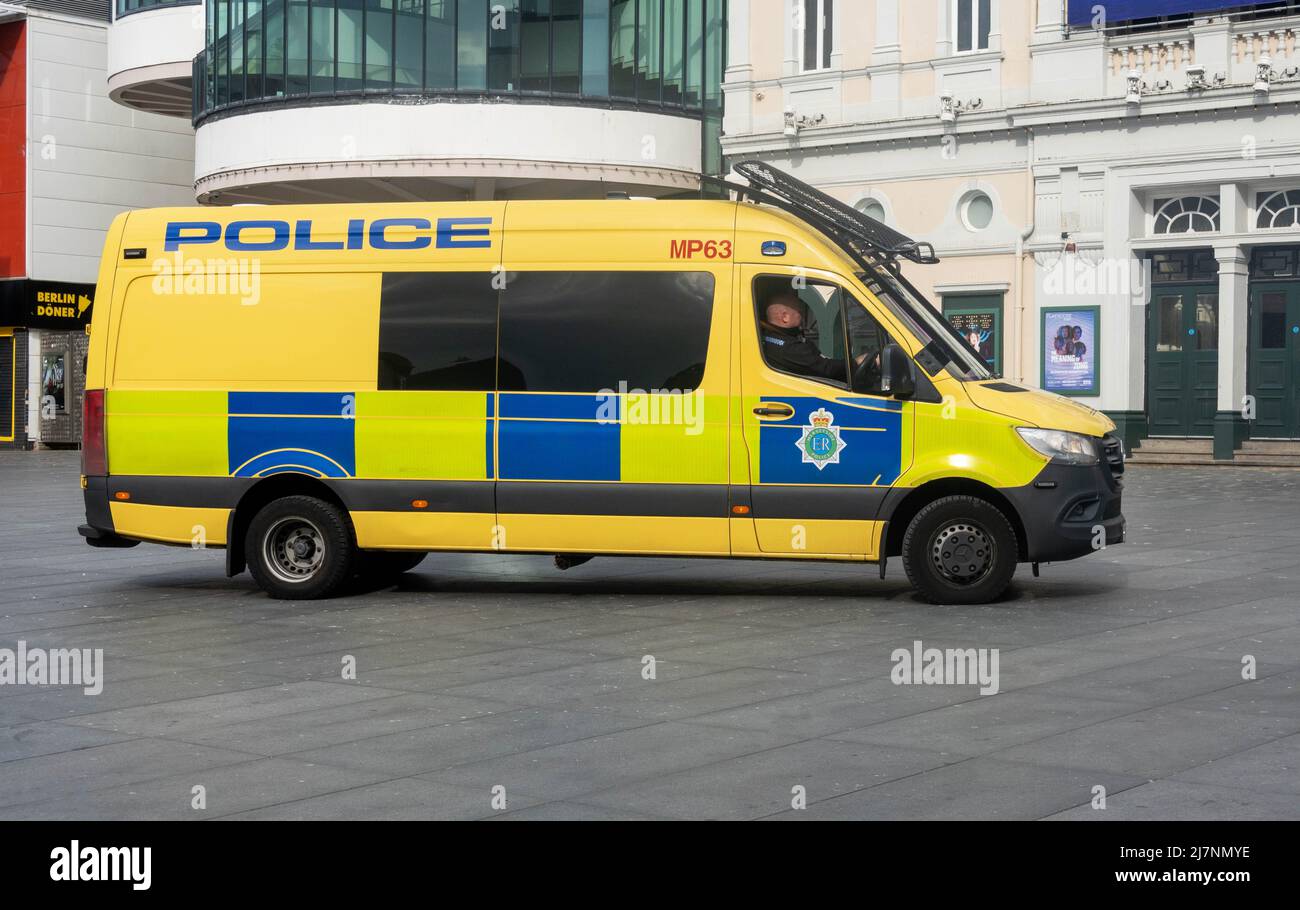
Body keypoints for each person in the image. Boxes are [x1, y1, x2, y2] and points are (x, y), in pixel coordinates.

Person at [760, 288, 874, 385]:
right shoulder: (789, 348)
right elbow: (826, 369)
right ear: (785, 317)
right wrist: (857, 362)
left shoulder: (771, 339)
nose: (803, 317)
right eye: (800, 312)